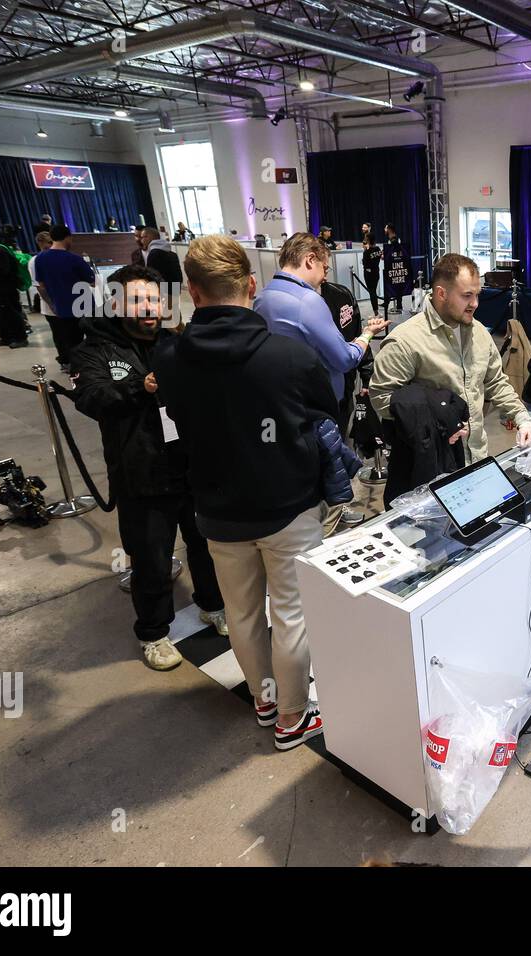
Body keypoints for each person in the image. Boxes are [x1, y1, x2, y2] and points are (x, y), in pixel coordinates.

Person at [154, 235, 336, 750]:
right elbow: (324, 412)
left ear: (192, 292)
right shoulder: (288, 355)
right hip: (288, 506)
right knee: (292, 615)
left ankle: (264, 698)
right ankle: (292, 718)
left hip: (216, 509)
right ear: (251, 285)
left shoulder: (169, 359)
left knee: (243, 613)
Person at [72, 265, 228, 671]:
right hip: (140, 473)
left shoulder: (176, 341)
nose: (148, 308)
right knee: (151, 559)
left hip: (190, 468)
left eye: (154, 299)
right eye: (137, 300)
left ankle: (213, 605)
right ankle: (154, 632)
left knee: (206, 546)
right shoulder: (95, 350)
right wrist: (138, 388)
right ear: (117, 303)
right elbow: (90, 398)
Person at [370, 252, 531, 464]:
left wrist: (522, 418)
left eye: (477, 294)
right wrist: (438, 418)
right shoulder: (405, 341)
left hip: (477, 455)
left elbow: (495, 382)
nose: (475, 303)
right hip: (431, 462)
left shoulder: (480, 333)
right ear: (441, 294)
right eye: (467, 295)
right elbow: (381, 398)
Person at [253, 232, 386, 414]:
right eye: (324, 268)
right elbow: (345, 359)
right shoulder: (308, 300)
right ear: (310, 260)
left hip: (284, 401)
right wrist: (367, 334)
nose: (324, 276)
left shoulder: (262, 298)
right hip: (318, 407)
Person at [32, 225, 95, 369]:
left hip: (61, 308)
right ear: (68, 237)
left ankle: (76, 370)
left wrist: (52, 304)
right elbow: (92, 281)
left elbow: (41, 286)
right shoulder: (74, 259)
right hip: (83, 306)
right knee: (91, 338)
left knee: (70, 342)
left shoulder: (39, 259)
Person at [360, 222, 382, 317]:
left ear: (368, 240)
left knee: (372, 292)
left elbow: (364, 263)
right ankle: (376, 311)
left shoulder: (367, 252)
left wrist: (366, 250)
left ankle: (376, 312)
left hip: (369, 274)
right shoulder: (378, 249)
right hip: (376, 273)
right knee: (373, 291)